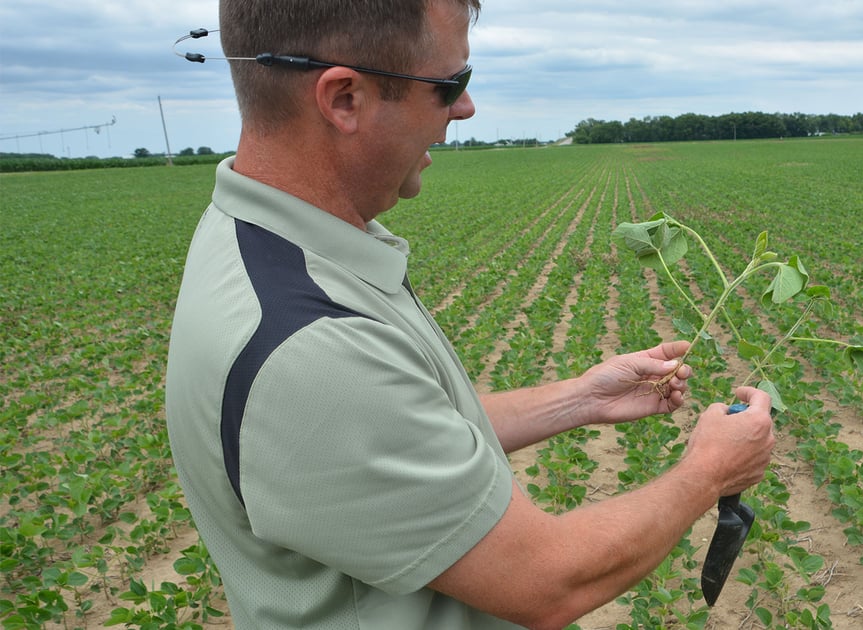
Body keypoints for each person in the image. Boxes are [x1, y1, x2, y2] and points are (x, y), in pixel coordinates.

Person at [164, 0, 776, 628]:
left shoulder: (266, 246)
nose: (465, 108)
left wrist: (580, 399)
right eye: (451, 84)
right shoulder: (311, 346)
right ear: (344, 98)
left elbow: (394, 433)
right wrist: (707, 471)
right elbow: (546, 579)